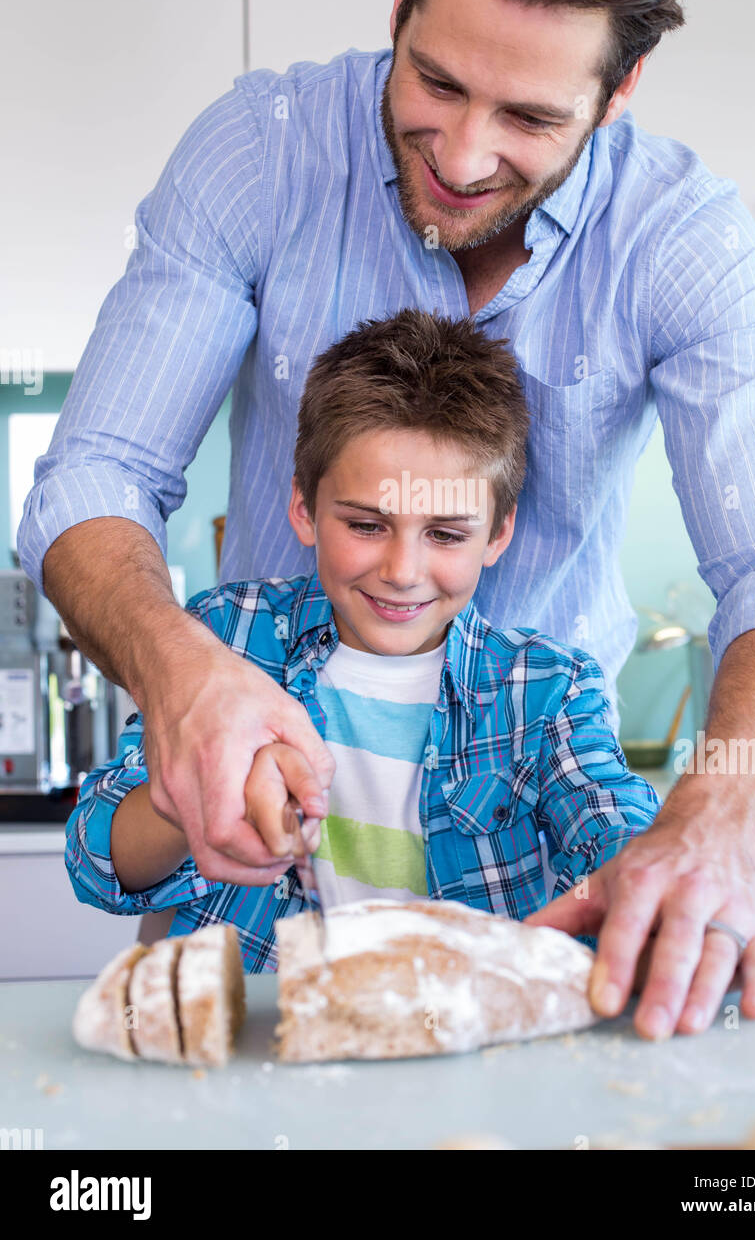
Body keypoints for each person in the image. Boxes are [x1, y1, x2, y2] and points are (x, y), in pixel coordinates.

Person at [19, 0, 755, 1032]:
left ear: (618, 93)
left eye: (527, 116)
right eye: (436, 81)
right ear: (400, 7)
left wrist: (712, 825)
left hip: (516, 951)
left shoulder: (683, 240)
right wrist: (178, 674)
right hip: (247, 961)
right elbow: (98, 472)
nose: (462, 158)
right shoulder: (261, 152)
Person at [64, 309, 660, 973]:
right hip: (258, 1053)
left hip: (457, 1060)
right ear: (304, 508)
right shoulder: (227, 638)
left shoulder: (548, 690)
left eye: (445, 534)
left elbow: (609, 819)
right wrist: (200, 792)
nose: (403, 571)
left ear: (497, 534)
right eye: (368, 525)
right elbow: (95, 860)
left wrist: (646, 871)